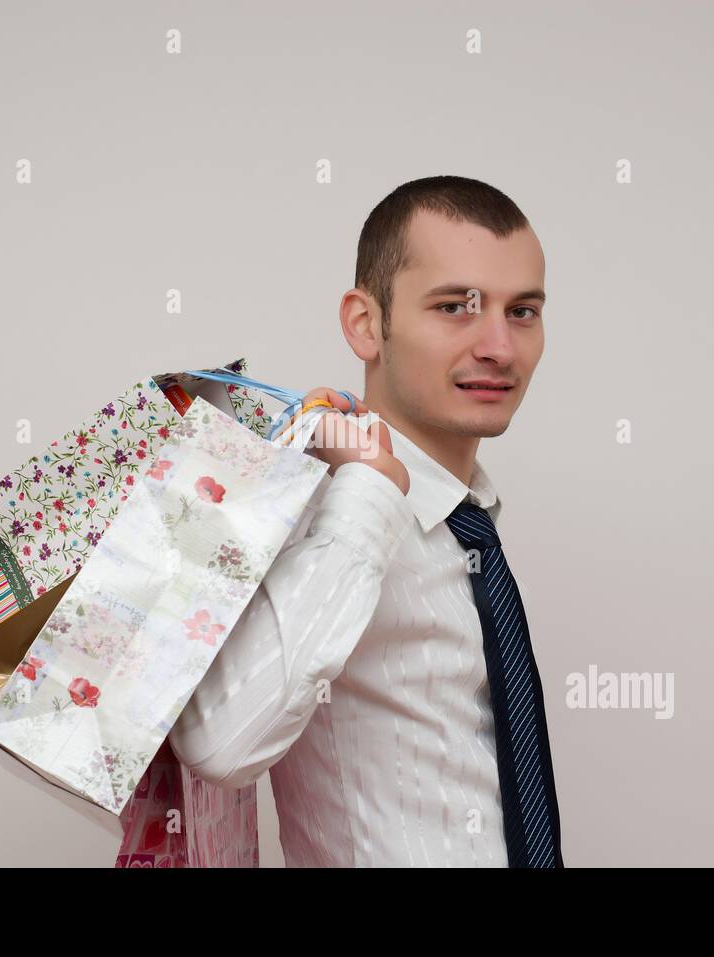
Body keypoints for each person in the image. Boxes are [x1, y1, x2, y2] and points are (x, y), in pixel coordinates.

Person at [169, 175, 561, 867]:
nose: (500, 346)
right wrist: (368, 496)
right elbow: (218, 744)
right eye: (456, 307)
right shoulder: (320, 505)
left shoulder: (466, 525)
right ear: (365, 323)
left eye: (522, 311)